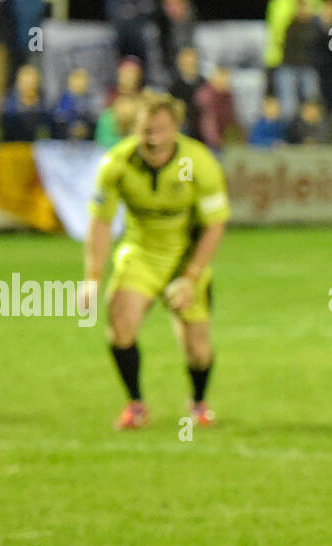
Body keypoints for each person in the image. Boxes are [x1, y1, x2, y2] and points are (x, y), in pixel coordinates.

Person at [82, 91, 229, 430]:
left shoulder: (199, 163)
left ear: (176, 128)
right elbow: (100, 222)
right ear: (133, 129)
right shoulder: (116, 164)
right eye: (146, 130)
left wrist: (190, 277)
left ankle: (198, 403)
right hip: (142, 254)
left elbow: (214, 224)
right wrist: (91, 278)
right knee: (119, 325)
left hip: (185, 258)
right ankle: (135, 404)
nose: (153, 139)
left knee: (198, 350)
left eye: (161, 130)